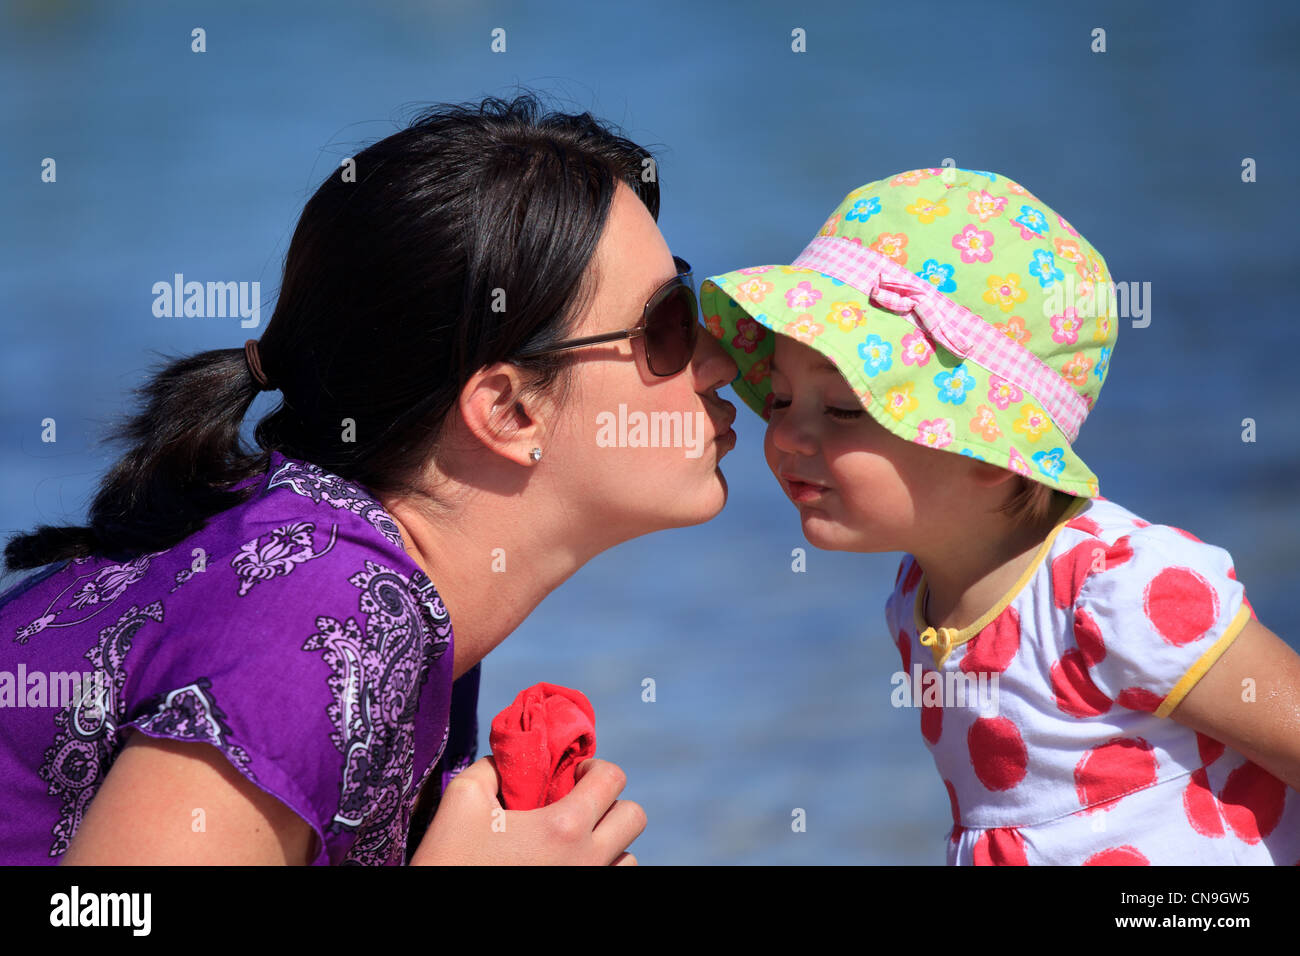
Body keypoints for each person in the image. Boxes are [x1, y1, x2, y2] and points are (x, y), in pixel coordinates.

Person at [0, 93, 739, 865]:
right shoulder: (318, 614)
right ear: (511, 411)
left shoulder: (362, 586)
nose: (717, 362)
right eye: (668, 326)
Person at [699, 167, 1300, 864]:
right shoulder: (913, 595)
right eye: (777, 400)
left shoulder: (1115, 589)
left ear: (987, 450)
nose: (787, 437)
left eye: (842, 409)